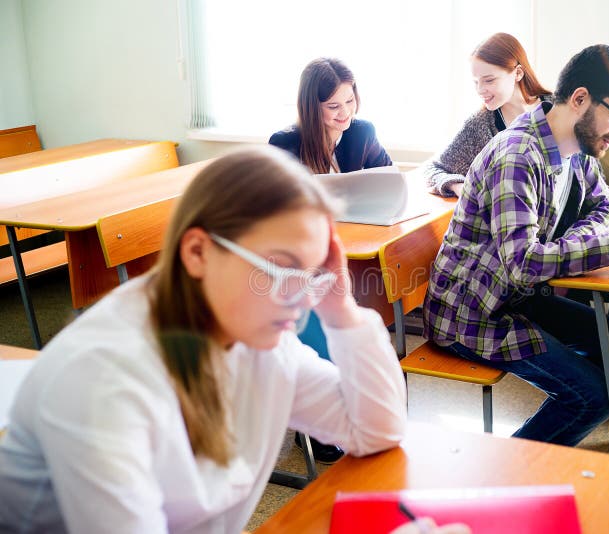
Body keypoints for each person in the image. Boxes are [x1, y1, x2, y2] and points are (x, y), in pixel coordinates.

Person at [0, 148, 407, 532]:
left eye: (312, 273)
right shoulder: (102, 380)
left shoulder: (254, 335)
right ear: (197, 252)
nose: (302, 300)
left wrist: (341, 309)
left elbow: (377, 431)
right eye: (283, 268)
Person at [423, 43, 609, 454]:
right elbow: (525, 264)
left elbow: (608, 205)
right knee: (591, 398)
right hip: (471, 315)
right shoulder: (517, 156)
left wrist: (574, 243)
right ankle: (505, 471)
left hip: (515, 297)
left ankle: (543, 447)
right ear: (579, 99)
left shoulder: (575, 148)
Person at [269, 57, 393, 463]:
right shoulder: (284, 143)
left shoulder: (362, 132)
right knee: (319, 308)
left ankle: (355, 398)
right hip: (298, 254)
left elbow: (388, 181)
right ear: (312, 106)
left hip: (350, 245)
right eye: (333, 106)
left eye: (350, 101)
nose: (345, 114)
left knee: (357, 303)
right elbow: (275, 208)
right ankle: (321, 419)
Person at [425, 32, 551, 198]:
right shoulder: (480, 125)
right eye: (476, 82)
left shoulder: (558, 108)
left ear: (518, 73)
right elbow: (433, 170)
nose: (480, 90)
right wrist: (459, 186)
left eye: (489, 80)